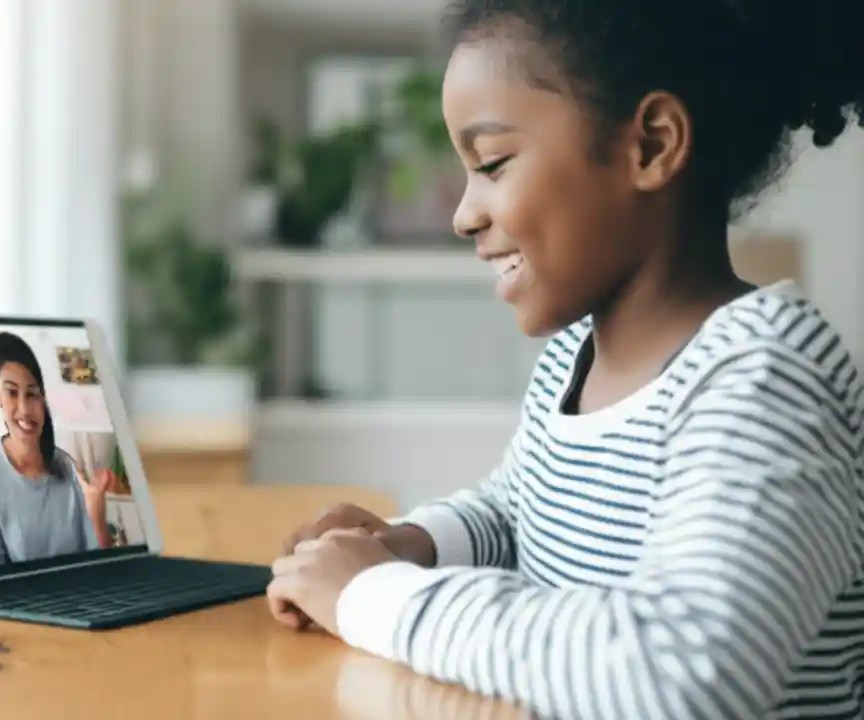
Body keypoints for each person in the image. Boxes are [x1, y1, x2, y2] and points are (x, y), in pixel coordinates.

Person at [267, 2, 864, 718]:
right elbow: (518, 512)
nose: (463, 214)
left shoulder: (764, 380)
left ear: (651, 146)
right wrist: (414, 544)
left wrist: (375, 597)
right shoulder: (572, 360)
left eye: (492, 164)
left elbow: (684, 674)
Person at [0, 332, 113, 565]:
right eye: (12, 392)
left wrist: (95, 507)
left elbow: (103, 569)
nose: (24, 409)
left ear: (45, 399)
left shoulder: (68, 467)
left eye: (33, 394)